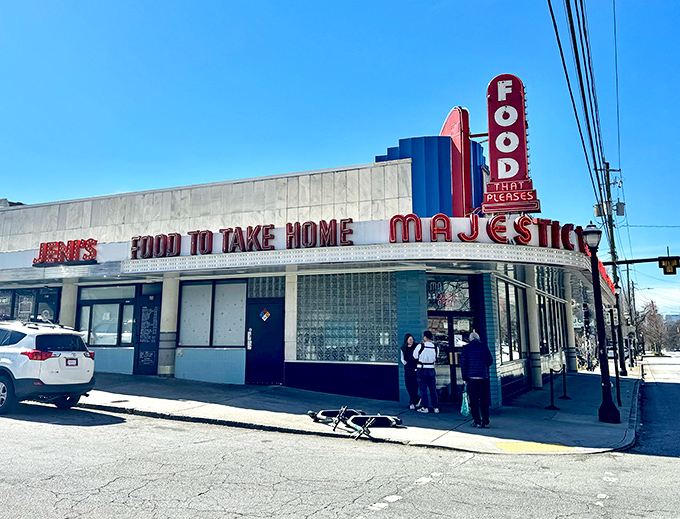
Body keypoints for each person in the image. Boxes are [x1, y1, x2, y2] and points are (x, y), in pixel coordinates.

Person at [460, 331, 493, 428]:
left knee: (474, 401)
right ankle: (486, 421)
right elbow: (490, 361)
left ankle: (477, 421)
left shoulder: (466, 348)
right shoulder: (484, 347)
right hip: (483, 377)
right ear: (478, 339)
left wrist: (464, 377)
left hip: (471, 378)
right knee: (484, 400)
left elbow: (463, 364)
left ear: (470, 339)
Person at [413, 330, 439, 414]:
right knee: (433, 388)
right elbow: (436, 357)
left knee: (423, 389)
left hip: (422, 369)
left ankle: (425, 407)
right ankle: (435, 407)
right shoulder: (435, 347)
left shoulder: (420, 346)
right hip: (431, 368)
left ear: (424, 337)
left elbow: (415, 356)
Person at [400, 333, 420, 409]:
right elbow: (402, 357)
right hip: (407, 367)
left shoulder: (416, 346)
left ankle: (412, 402)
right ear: (406, 340)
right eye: (410, 339)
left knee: (414, 385)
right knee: (407, 384)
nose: (411, 341)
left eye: (412, 339)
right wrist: (404, 362)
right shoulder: (403, 348)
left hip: (414, 367)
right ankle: (416, 398)